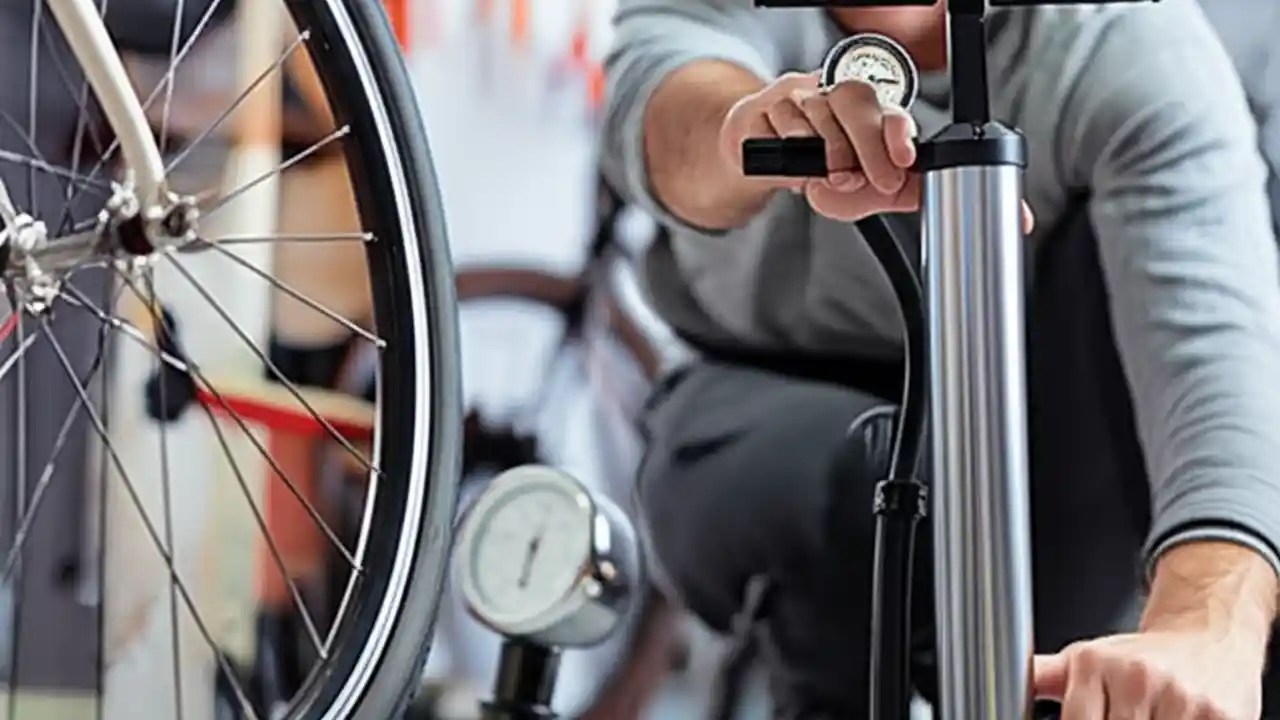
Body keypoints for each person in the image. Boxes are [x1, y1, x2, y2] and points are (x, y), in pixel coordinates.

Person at [601, 0, 1280, 717]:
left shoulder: (1124, 42)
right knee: (838, 491)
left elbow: (1216, 348)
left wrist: (1205, 628)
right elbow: (668, 115)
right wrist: (749, 132)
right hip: (760, 400)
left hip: (1028, 435)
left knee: (1230, 590)